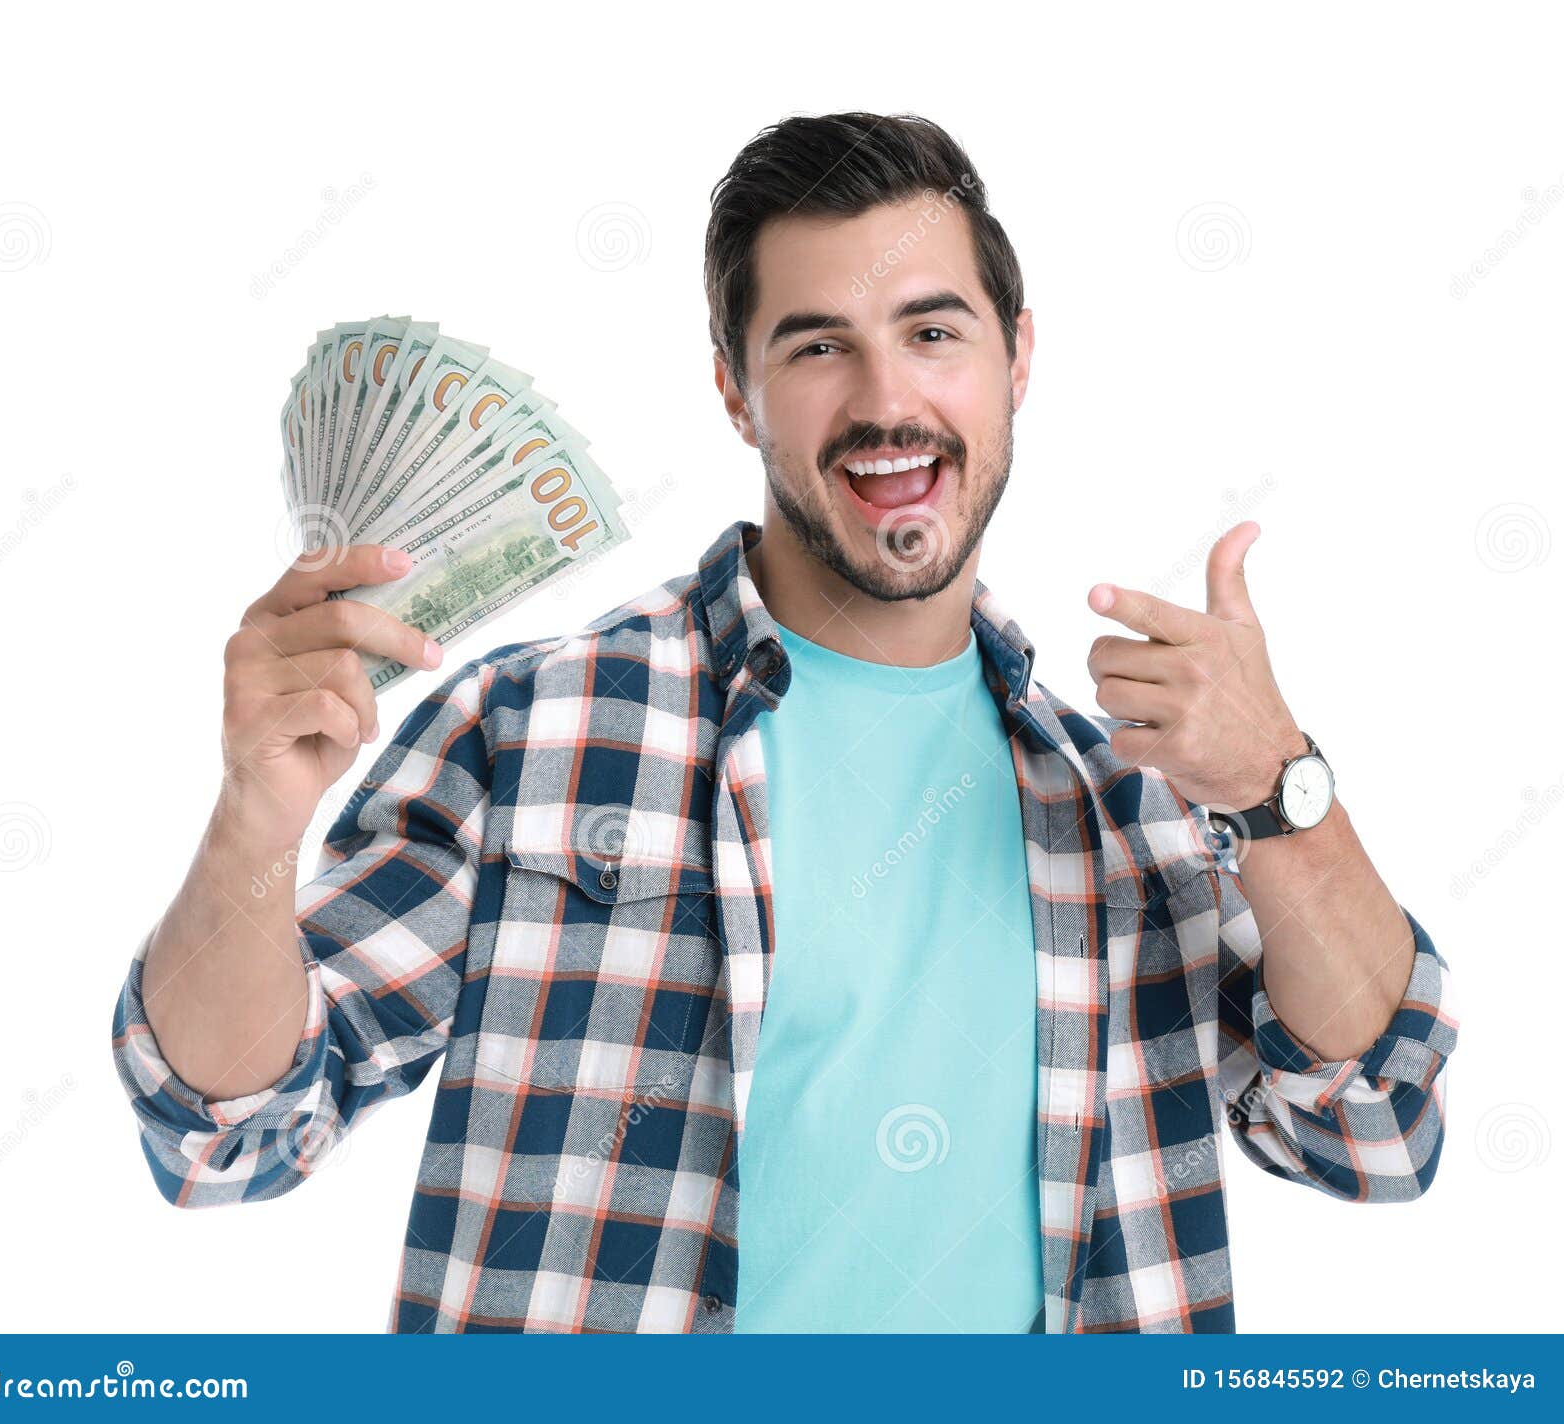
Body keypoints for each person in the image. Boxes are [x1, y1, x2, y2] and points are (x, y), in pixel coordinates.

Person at [111, 111, 1457, 1334]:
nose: (885, 402)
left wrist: (1282, 793)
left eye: (933, 332)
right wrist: (255, 821)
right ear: (734, 391)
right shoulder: (532, 727)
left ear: (1017, 356)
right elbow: (224, 1132)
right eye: (818, 347)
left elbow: (1374, 1136)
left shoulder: (1141, 795)